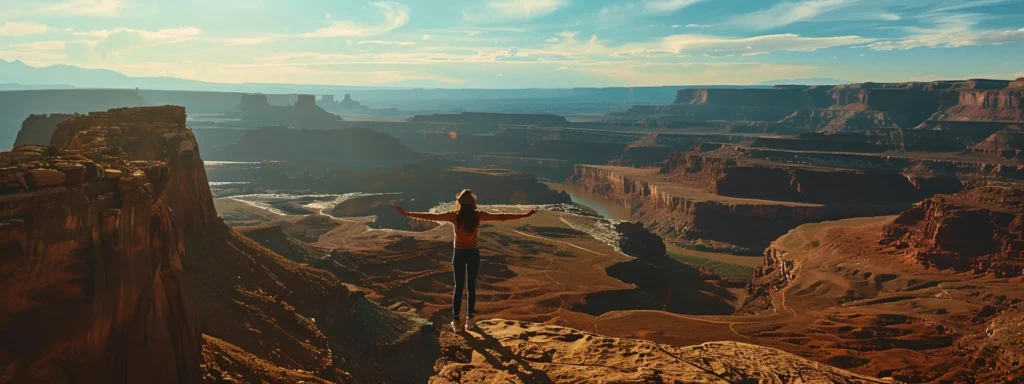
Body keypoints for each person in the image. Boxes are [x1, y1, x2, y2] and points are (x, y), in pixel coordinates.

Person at [394, 189, 536, 332]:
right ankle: (470, 319)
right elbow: (501, 217)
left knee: (458, 288)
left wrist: (407, 214)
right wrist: (525, 215)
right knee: (471, 287)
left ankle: (456, 322)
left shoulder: (454, 215)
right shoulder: (477, 215)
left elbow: (431, 216)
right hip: (473, 253)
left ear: (459, 203)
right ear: (473, 202)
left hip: (459, 254)